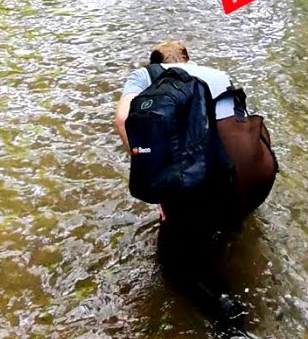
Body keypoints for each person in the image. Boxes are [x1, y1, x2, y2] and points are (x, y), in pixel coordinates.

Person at [114, 39, 278, 327]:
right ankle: (229, 228)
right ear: (186, 58)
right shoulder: (218, 73)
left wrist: (155, 177)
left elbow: (123, 120)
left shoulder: (145, 75)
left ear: (155, 61)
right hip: (258, 169)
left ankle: (227, 313)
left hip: (208, 174)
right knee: (222, 219)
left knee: (174, 264)